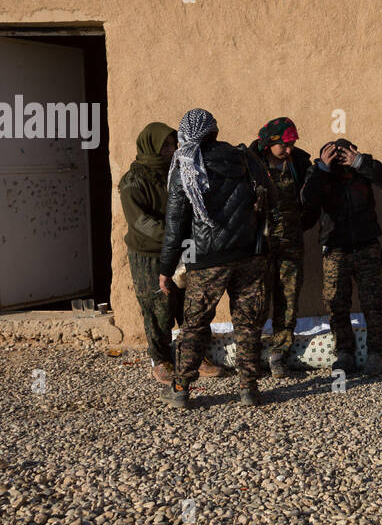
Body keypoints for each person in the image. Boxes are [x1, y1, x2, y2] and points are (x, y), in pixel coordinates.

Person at [158, 108, 271, 408]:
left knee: (194, 323)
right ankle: (249, 389)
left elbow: (175, 224)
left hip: (207, 258)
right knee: (248, 323)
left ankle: (181, 389)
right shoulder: (245, 158)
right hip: (250, 253)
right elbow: (266, 197)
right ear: (215, 131)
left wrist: (165, 268)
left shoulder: (185, 166)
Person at [118, 121, 221, 384]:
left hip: (183, 249)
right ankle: (161, 358)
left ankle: (194, 356)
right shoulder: (134, 180)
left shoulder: (179, 170)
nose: (170, 148)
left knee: (191, 303)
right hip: (151, 253)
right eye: (164, 144)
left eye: (172, 143)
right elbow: (140, 221)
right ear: (150, 146)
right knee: (158, 307)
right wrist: (175, 234)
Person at [300, 137, 382, 375]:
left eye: (345, 155)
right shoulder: (319, 172)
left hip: (366, 246)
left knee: (373, 303)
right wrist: (322, 168)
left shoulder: (363, 168)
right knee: (336, 304)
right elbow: (307, 200)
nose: (341, 160)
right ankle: (344, 353)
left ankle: (376, 354)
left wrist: (359, 162)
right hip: (335, 248)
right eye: (336, 156)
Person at [251, 117, 316, 378]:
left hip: (291, 244)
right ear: (270, 143)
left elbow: (311, 199)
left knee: (288, 299)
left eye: (291, 144)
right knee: (256, 300)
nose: (288, 150)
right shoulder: (252, 164)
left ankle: (279, 354)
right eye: (284, 145)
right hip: (260, 246)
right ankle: (251, 355)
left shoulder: (297, 163)